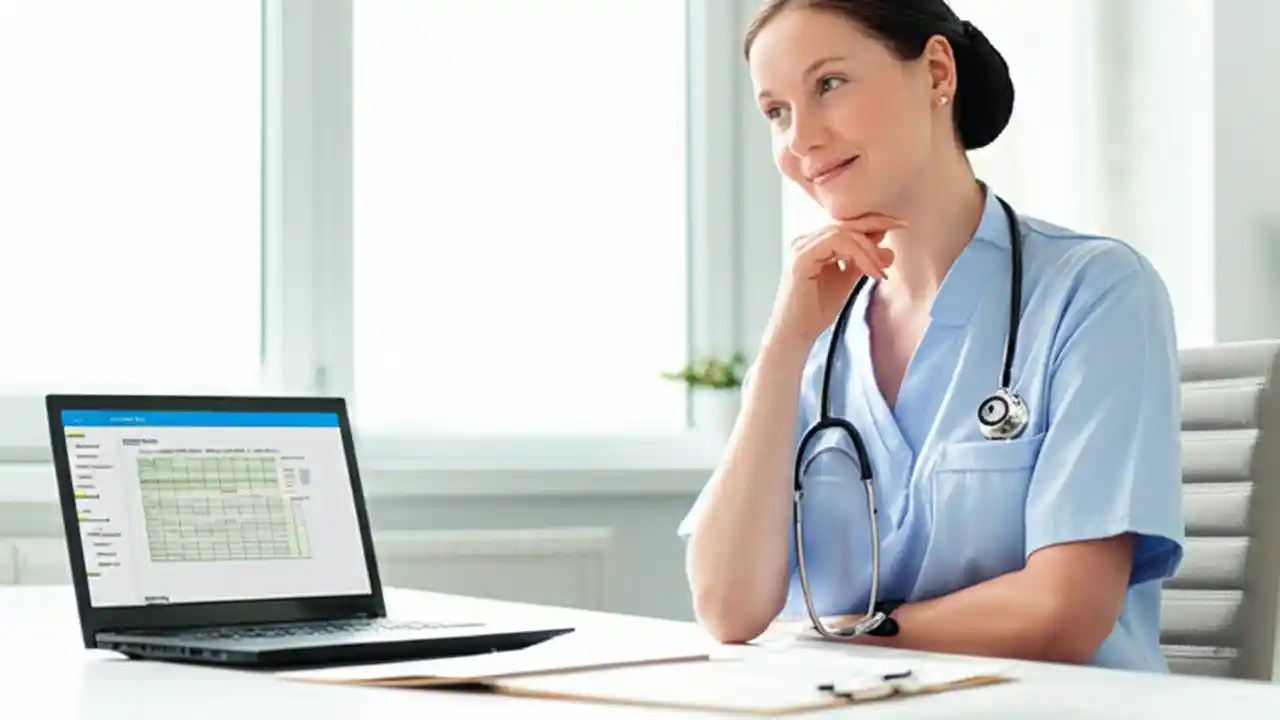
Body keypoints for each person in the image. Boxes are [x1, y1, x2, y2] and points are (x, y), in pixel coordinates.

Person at [677, 0, 1185, 672]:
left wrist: (847, 637)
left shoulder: (1096, 292)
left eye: (828, 84)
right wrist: (781, 348)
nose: (800, 138)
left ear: (937, 72)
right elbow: (727, 606)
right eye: (777, 111)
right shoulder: (815, 340)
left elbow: (1064, 610)